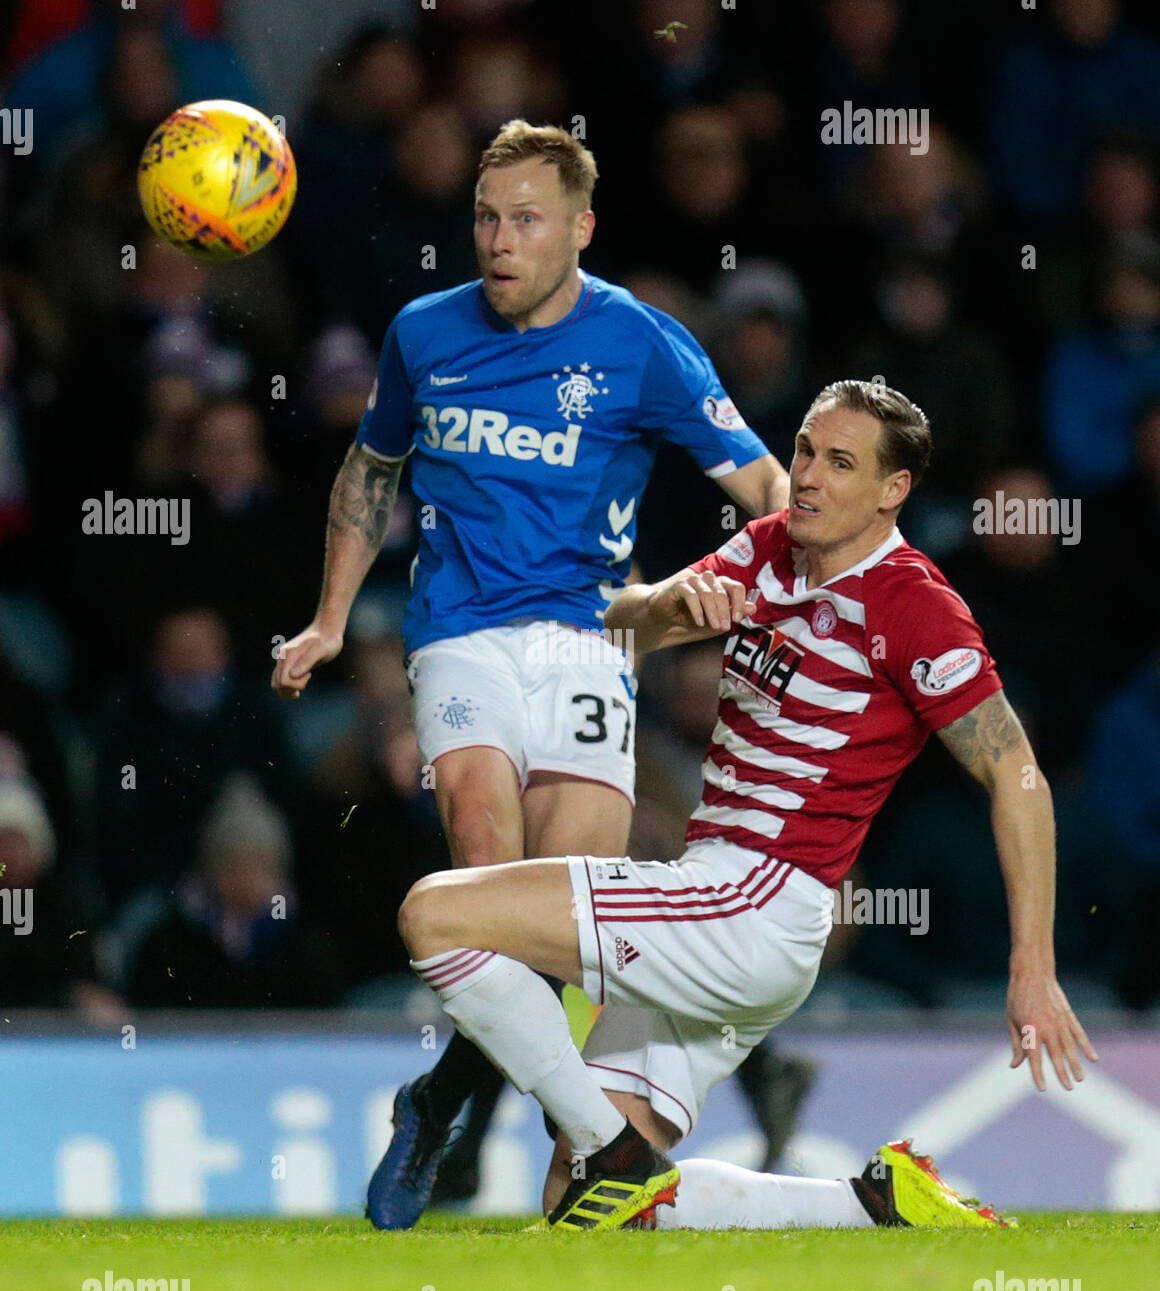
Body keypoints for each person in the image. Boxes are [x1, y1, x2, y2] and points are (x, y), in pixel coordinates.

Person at [392, 378, 1097, 1232]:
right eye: (803, 450)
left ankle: (595, 1139)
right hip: (717, 901)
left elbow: (1018, 777)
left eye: (841, 463)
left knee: (434, 915)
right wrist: (670, 606)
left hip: (756, 904)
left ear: (892, 490)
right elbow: (614, 628)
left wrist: (1033, 967)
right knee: (583, 1208)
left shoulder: (915, 606)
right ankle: (869, 1203)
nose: (807, 477)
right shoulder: (767, 548)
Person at [270, 120, 790, 1227]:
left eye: (525, 220)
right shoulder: (422, 331)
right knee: (480, 867)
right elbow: (370, 473)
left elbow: (761, 487)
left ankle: (452, 1101)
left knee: (561, 922)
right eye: (484, 218)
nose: (498, 242)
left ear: (579, 228)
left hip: (590, 638)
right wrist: (324, 622)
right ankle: (599, 1149)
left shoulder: (641, 344)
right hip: (458, 632)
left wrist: (776, 597)